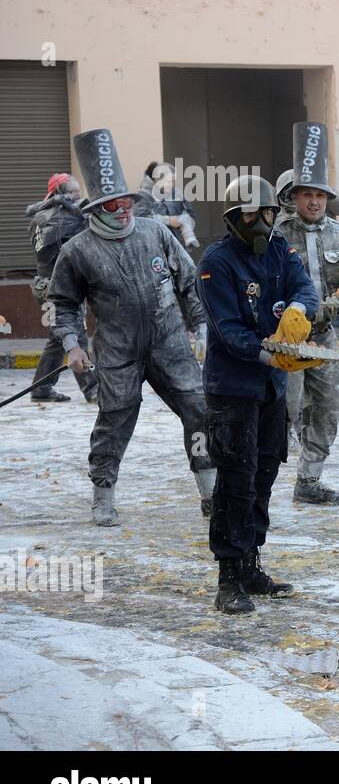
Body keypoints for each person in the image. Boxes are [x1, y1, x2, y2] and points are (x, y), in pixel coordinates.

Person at [50, 129, 213, 526]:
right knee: (115, 419)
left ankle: (211, 492)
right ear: (95, 209)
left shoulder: (155, 232)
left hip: (170, 342)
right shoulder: (77, 250)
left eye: (126, 202)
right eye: (113, 205)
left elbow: (189, 282)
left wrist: (201, 326)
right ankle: (102, 495)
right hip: (117, 350)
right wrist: (72, 345)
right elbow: (63, 304)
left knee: (199, 410)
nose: (123, 210)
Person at [198, 175, 319, 614]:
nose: (257, 221)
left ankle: (252, 563)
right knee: (236, 479)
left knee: (265, 472)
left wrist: (300, 307)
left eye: (263, 213)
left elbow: (303, 286)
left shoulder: (280, 249)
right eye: (247, 214)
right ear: (233, 218)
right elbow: (227, 330)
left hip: (272, 387)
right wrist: (266, 354)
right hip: (233, 388)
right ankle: (227, 577)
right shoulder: (216, 262)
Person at [273, 122, 339, 505]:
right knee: (286, 408)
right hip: (287, 340)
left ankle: (309, 481)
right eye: (307, 195)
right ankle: (260, 480)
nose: (314, 201)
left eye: (320, 195)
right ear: (293, 198)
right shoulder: (275, 236)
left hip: (325, 335)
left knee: (327, 408)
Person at [25, 173, 98, 404]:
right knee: (75, 334)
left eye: (79, 191)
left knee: (57, 340)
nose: (78, 196)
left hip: (44, 284)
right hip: (59, 288)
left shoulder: (40, 215)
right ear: (60, 194)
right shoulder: (63, 217)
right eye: (73, 193)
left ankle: (41, 388)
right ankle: (93, 389)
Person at [138, 162, 200, 250]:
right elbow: (140, 221)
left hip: (177, 247)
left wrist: (186, 223)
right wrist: (169, 220)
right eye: (168, 181)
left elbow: (191, 214)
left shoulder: (176, 193)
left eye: (173, 182)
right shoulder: (144, 196)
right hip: (154, 249)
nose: (172, 185)